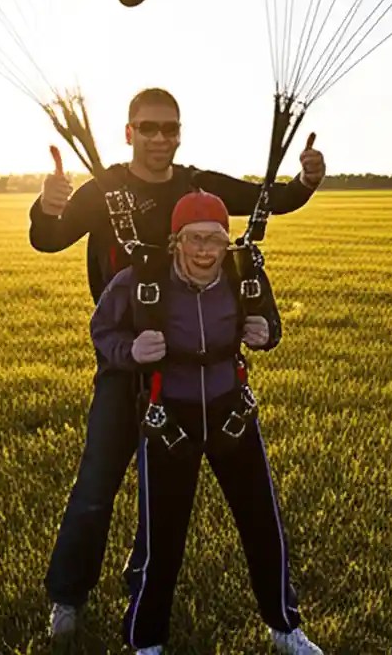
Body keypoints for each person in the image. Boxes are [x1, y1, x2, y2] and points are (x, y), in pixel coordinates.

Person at [29, 87, 326, 637]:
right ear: (128, 132)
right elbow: (48, 240)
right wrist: (46, 207)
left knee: (159, 493)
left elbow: (268, 200)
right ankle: (68, 596)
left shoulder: (198, 186)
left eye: (170, 128)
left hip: (192, 370)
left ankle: (142, 591)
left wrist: (305, 181)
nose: (160, 139)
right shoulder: (105, 189)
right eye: (148, 128)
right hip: (128, 361)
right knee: (98, 482)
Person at [91, 191, 323, 654]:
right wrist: (130, 353)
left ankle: (284, 627)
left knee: (263, 523)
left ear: (226, 244)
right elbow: (103, 332)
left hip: (231, 413)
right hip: (167, 418)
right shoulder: (140, 280)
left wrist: (267, 334)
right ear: (176, 241)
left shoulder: (244, 276)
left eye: (214, 241)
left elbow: (270, 324)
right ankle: (147, 641)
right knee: (163, 538)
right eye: (194, 240)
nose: (203, 251)